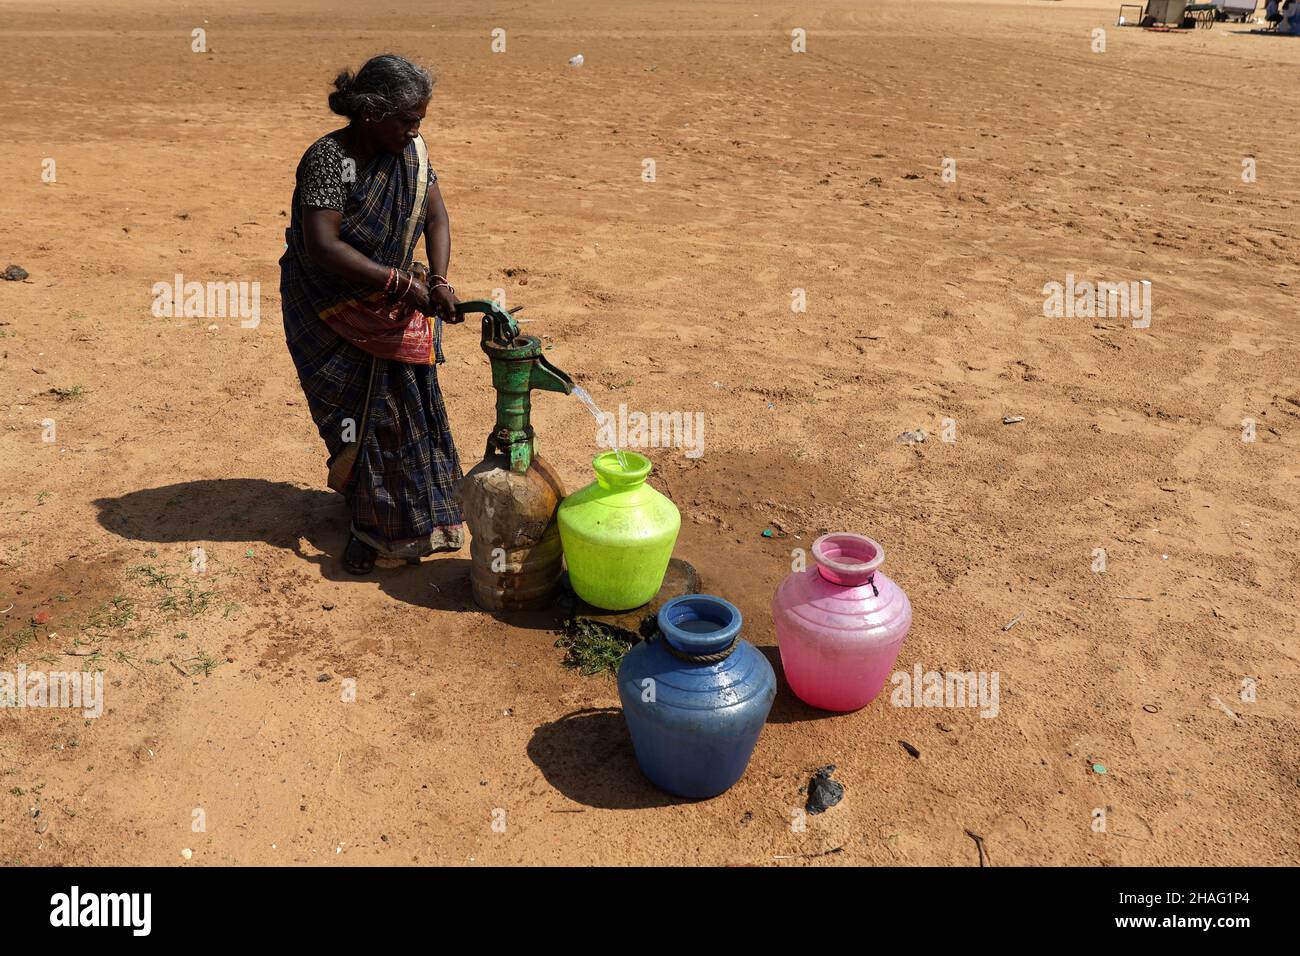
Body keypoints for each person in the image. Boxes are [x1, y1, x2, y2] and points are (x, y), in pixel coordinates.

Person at [280, 54, 465, 575]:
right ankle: (370, 522)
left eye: (419, 120)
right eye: (406, 120)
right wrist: (401, 283)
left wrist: (439, 279)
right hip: (327, 305)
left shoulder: (413, 155)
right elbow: (321, 245)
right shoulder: (327, 158)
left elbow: (436, 216)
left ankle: (396, 519)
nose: (414, 131)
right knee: (355, 417)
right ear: (369, 113)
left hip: (393, 306)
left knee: (400, 414)